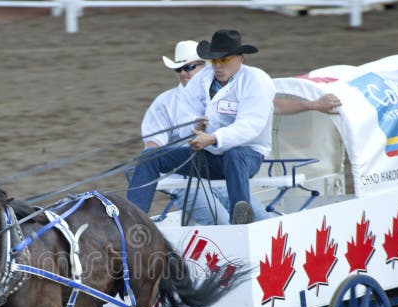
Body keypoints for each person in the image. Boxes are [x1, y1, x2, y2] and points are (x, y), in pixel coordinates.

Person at [139, 38, 341, 224]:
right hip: (191, 173)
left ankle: (245, 223)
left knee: (245, 189)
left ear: (203, 65)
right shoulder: (166, 102)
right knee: (217, 221)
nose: (184, 73)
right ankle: (133, 218)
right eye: (179, 69)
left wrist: (313, 104)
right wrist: (193, 129)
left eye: (190, 67)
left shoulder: (242, 82)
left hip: (230, 162)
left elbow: (263, 113)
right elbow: (153, 143)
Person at [129, 29, 274, 225]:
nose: (218, 66)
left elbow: (250, 125)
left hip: (248, 155)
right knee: (150, 157)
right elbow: (186, 116)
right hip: (210, 157)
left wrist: (213, 138)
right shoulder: (202, 79)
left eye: (224, 60)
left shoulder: (256, 80)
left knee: (234, 154)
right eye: (215, 60)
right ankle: (132, 219)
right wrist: (194, 126)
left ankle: (241, 216)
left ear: (240, 59)